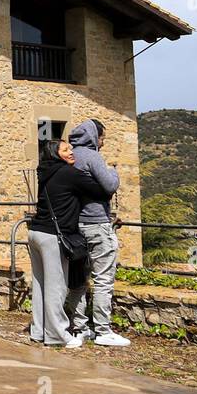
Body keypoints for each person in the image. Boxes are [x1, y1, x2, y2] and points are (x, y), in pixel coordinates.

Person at [29, 138, 112, 348]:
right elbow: (103, 190)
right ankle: (58, 335)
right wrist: (110, 172)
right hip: (52, 237)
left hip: (35, 233)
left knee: (39, 287)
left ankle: (39, 331)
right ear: (57, 154)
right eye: (66, 150)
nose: (72, 152)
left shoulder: (45, 172)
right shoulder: (69, 173)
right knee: (56, 287)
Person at [65, 119, 130, 347]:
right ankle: (103, 331)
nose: (102, 143)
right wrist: (114, 172)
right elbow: (110, 185)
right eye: (102, 138)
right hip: (97, 224)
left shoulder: (70, 156)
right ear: (94, 136)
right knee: (103, 278)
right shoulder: (92, 157)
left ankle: (79, 327)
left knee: (78, 279)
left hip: (75, 226)